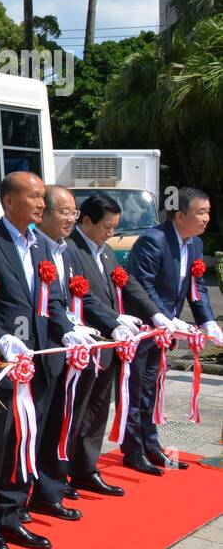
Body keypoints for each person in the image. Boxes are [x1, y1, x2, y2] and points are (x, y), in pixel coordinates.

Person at [0, 171, 85, 549]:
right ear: (9, 202)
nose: (41, 205)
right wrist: (2, 336)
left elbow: (49, 300)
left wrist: (66, 329)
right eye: (34, 198)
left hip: (39, 361)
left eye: (42, 198)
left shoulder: (40, 247)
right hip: (5, 366)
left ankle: (13, 513)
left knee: (26, 441)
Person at [66, 193, 164, 494]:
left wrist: (156, 315)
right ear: (86, 221)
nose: (111, 233)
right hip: (85, 345)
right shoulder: (71, 250)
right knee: (76, 412)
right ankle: (62, 471)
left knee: (97, 411)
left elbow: (127, 284)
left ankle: (86, 468)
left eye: (114, 227)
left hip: (109, 347)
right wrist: (115, 320)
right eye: (106, 227)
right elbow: (84, 297)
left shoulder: (105, 251)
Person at [122, 187, 222, 473]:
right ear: (180, 215)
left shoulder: (194, 245)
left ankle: (150, 443)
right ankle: (133, 449)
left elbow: (196, 286)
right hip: (145, 327)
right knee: (137, 388)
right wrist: (166, 318)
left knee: (153, 388)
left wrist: (207, 321)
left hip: (166, 330)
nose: (206, 219)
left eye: (208, 213)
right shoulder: (153, 241)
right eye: (200, 213)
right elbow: (142, 285)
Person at [30, 185, 102, 519]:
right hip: (38, 353)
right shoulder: (33, 247)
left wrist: (109, 323)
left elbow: (78, 297)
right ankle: (23, 494)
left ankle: (51, 490)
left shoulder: (68, 251)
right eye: (64, 211)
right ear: (42, 212)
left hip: (67, 352)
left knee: (61, 422)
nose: (71, 219)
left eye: (74, 212)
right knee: (35, 427)